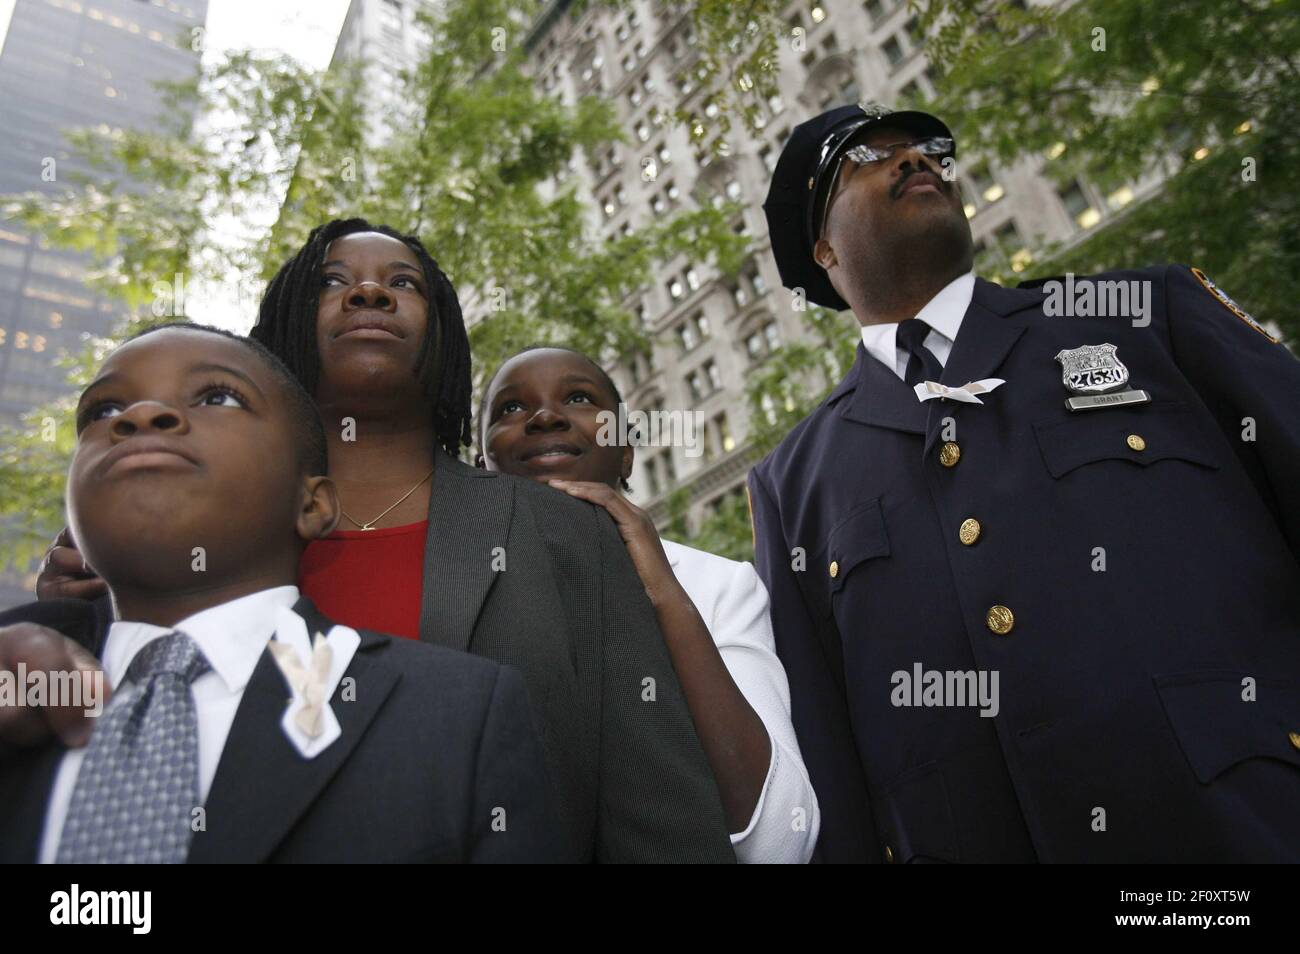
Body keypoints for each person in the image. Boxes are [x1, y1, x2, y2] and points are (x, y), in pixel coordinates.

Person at [13, 219, 735, 864]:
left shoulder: (564, 532)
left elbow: (660, 813)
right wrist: (78, 619)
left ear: (444, 333)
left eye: (403, 284)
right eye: (332, 282)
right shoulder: (161, 547)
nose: (368, 294)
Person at [750, 102, 1300, 862]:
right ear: (824, 251)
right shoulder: (789, 485)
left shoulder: (1146, 317)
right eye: (867, 158)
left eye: (926, 147)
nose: (915, 159)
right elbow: (826, 760)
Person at [0, 323, 561, 863]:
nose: (140, 415)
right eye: (104, 410)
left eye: (218, 397)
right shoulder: (18, 677)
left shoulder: (459, 715)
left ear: (313, 504)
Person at [478, 345, 820, 863]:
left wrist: (662, 590)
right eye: (511, 407)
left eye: (578, 398)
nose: (545, 416)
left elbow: (780, 840)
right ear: (480, 462)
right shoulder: (459, 591)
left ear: (626, 452)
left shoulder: (719, 585)